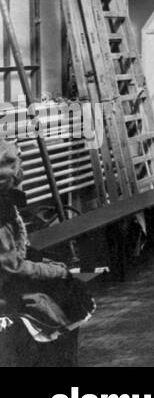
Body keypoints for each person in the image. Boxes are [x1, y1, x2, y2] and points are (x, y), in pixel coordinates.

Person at [0, 140, 95, 361]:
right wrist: (55, 271)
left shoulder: (5, 207)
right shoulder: (1, 215)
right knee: (64, 294)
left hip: (7, 279)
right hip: (5, 290)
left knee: (64, 288)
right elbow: (11, 267)